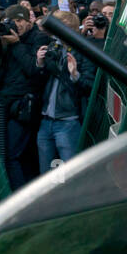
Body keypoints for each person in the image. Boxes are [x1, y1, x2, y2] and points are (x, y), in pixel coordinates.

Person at [35, 11, 95, 171]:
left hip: (68, 121)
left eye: (59, 27)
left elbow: (90, 86)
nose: (55, 32)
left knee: (69, 174)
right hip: (46, 119)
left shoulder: (84, 51)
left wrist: (75, 74)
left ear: (70, 29)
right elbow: (38, 83)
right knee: (45, 176)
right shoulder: (53, 47)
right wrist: (40, 63)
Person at [0, 5, 48, 189]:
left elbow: (33, 69)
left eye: (20, 21)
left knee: (13, 155)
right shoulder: (5, 37)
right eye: (12, 21)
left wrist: (16, 44)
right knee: (2, 154)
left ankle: (17, 202)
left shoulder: (39, 38)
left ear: (29, 21)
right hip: (3, 101)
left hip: (24, 105)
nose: (16, 25)